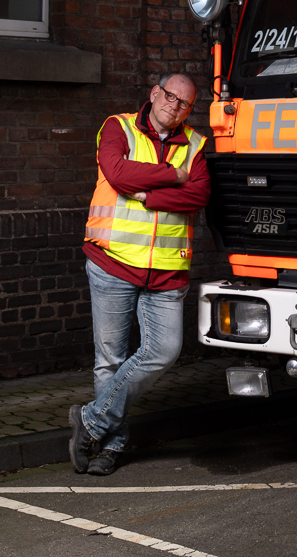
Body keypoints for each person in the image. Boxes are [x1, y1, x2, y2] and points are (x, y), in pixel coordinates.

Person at [70, 72, 210, 475]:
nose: (176, 106)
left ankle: (91, 421)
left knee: (164, 351)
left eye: (185, 103)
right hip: (113, 262)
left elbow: (199, 194)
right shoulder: (118, 127)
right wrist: (172, 176)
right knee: (109, 360)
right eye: (170, 96)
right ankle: (109, 447)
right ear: (154, 94)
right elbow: (117, 173)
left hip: (167, 271)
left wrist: (147, 192)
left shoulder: (196, 145)